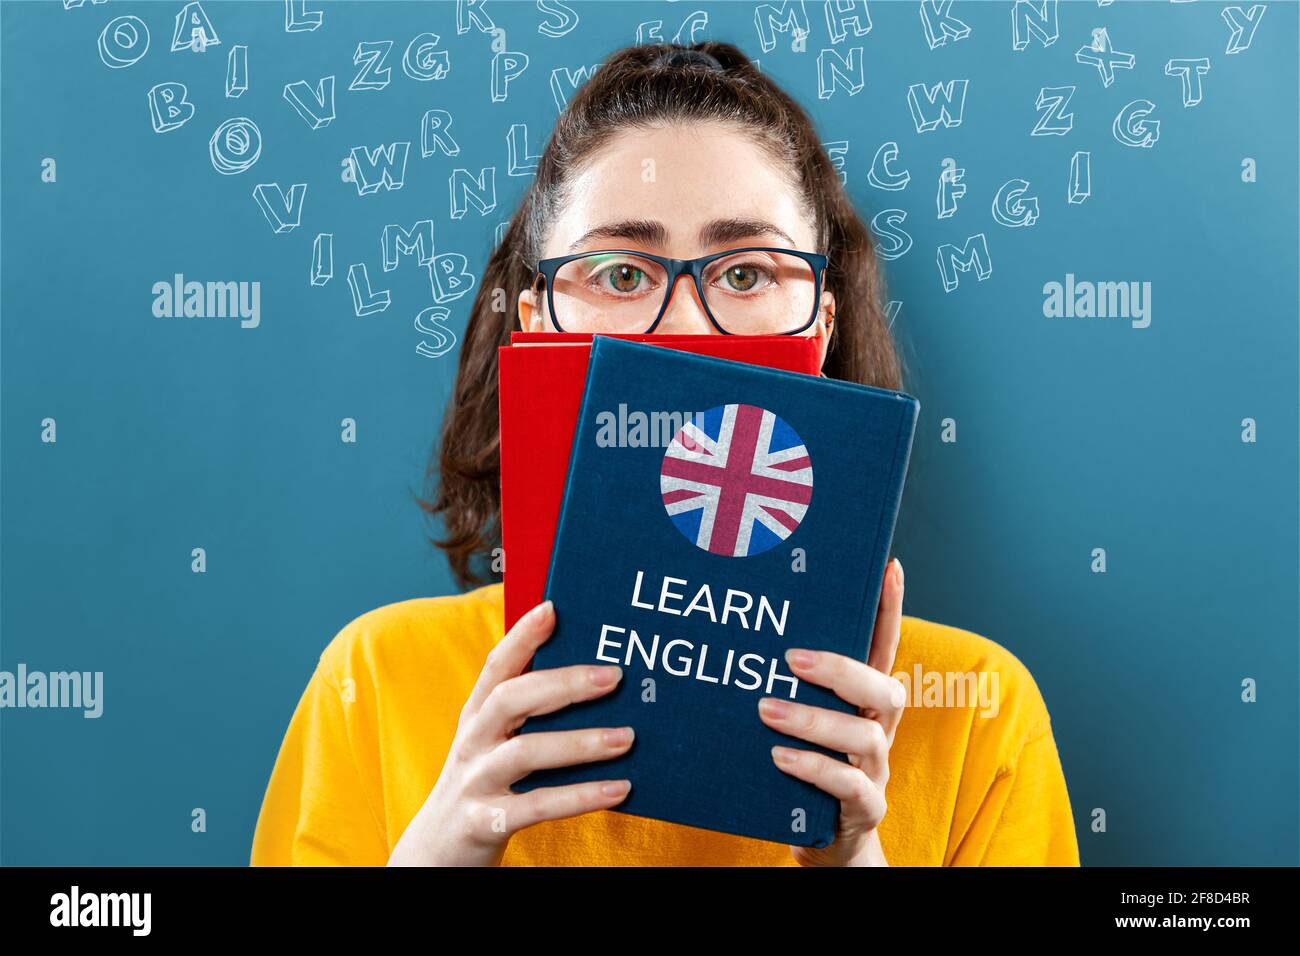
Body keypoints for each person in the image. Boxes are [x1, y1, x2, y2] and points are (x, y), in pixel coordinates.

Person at [251, 41, 1079, 867]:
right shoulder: (374, 680)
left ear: (820, 327)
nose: (685, 327)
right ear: (537, 321)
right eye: (619, 273)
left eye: (748, 274)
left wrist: (853, 856)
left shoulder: (977, 710)